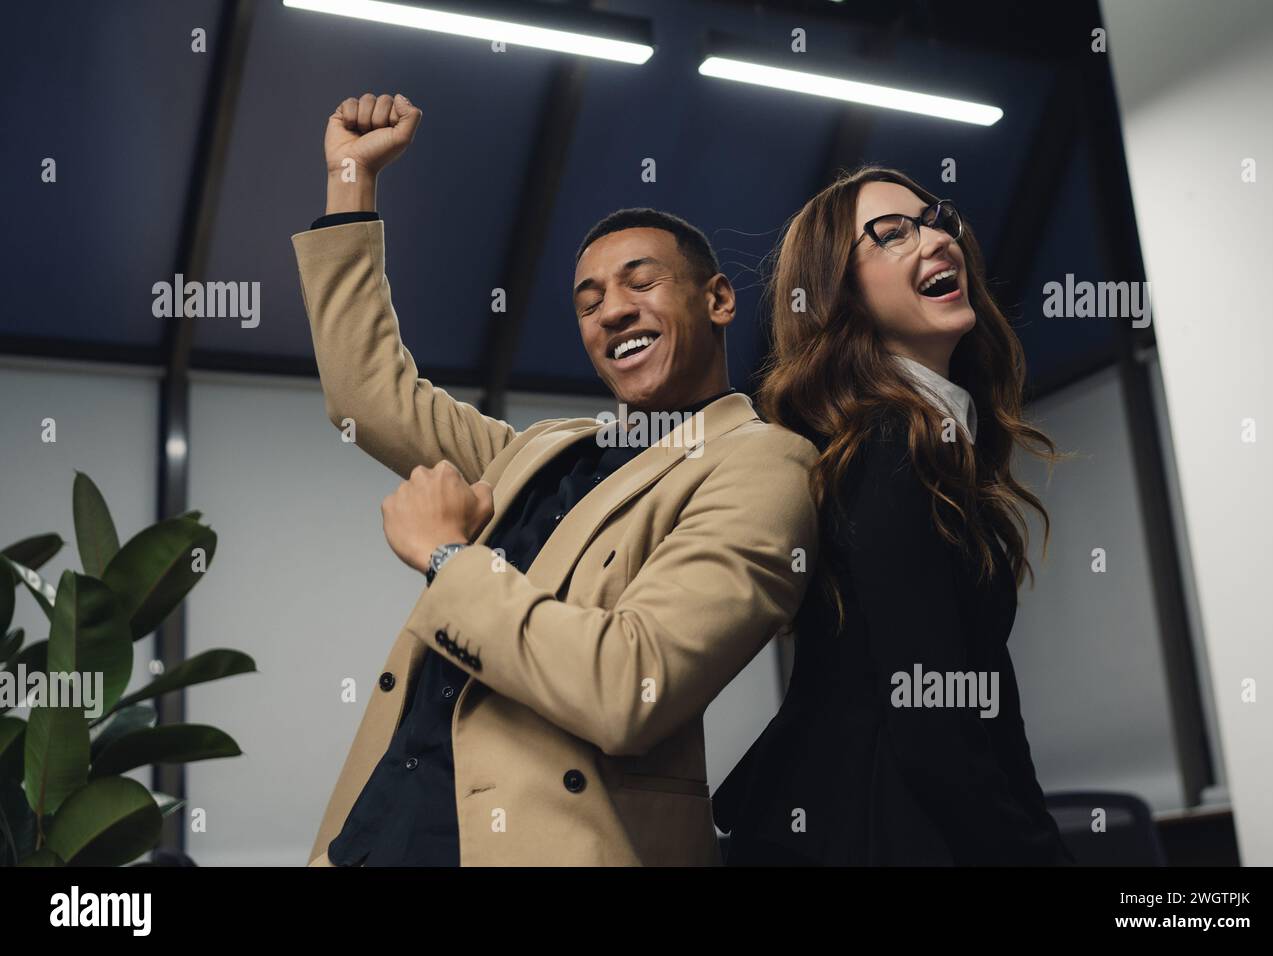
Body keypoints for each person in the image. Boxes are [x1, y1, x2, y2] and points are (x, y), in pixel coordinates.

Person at [292, 92, 819, 866]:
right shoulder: (541, 448)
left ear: (717, 299)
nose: (611, 311)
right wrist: (351, 177)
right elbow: (368, 395)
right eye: (589, 300)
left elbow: (630, 685)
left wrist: (447, 559)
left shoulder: (764, 460)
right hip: (374, 840)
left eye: (641, 282)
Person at [712, 165, 1074, 865]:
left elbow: (981, 702)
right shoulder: (885, 451)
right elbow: (933, 723)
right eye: (893, 233)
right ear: (835, 292)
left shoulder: (926, 444)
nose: (937, 238)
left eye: (938, 219)